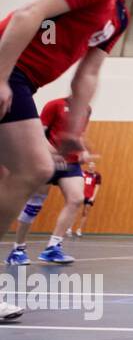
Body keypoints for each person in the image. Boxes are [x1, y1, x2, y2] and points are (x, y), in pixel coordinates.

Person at [0, 0, 133, 298]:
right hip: (10, 71)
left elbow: (87, 75)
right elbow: (29, 13)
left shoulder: (119, 17)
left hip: (25, 81)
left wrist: (74, 130)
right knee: (33, 168)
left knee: (15, 173)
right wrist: (0, 77)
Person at [4, 97, 92, 266]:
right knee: (33, 206)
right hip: (47, 160)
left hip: (71, 163)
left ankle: (53, 247)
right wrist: (53, 152)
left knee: (76, 199)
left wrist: (83, 150)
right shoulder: (55, 105)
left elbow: (78, 135)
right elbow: (38, 135)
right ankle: (18, 249)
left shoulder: (86, 109)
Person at [76, 159, 103, 237]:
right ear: (88, 165)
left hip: (89, 196)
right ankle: (69, 228)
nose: (91, 166)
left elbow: (97, 187)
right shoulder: (83, 173)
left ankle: (79, 229)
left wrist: (93, 197)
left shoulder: (97, 175)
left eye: (93, 165)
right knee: (76, 211)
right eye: (90, 164)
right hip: (81, 195)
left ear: (94, 166)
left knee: (85, 212)